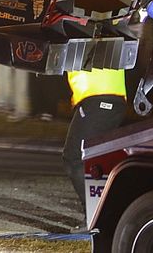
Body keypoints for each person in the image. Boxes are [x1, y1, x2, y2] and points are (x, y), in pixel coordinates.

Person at [62, 67, 127, 205]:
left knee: (75, 158)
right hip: (111, 97)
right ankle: (107, 211)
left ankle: (95, 215)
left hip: (97, 97)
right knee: (97, 160)